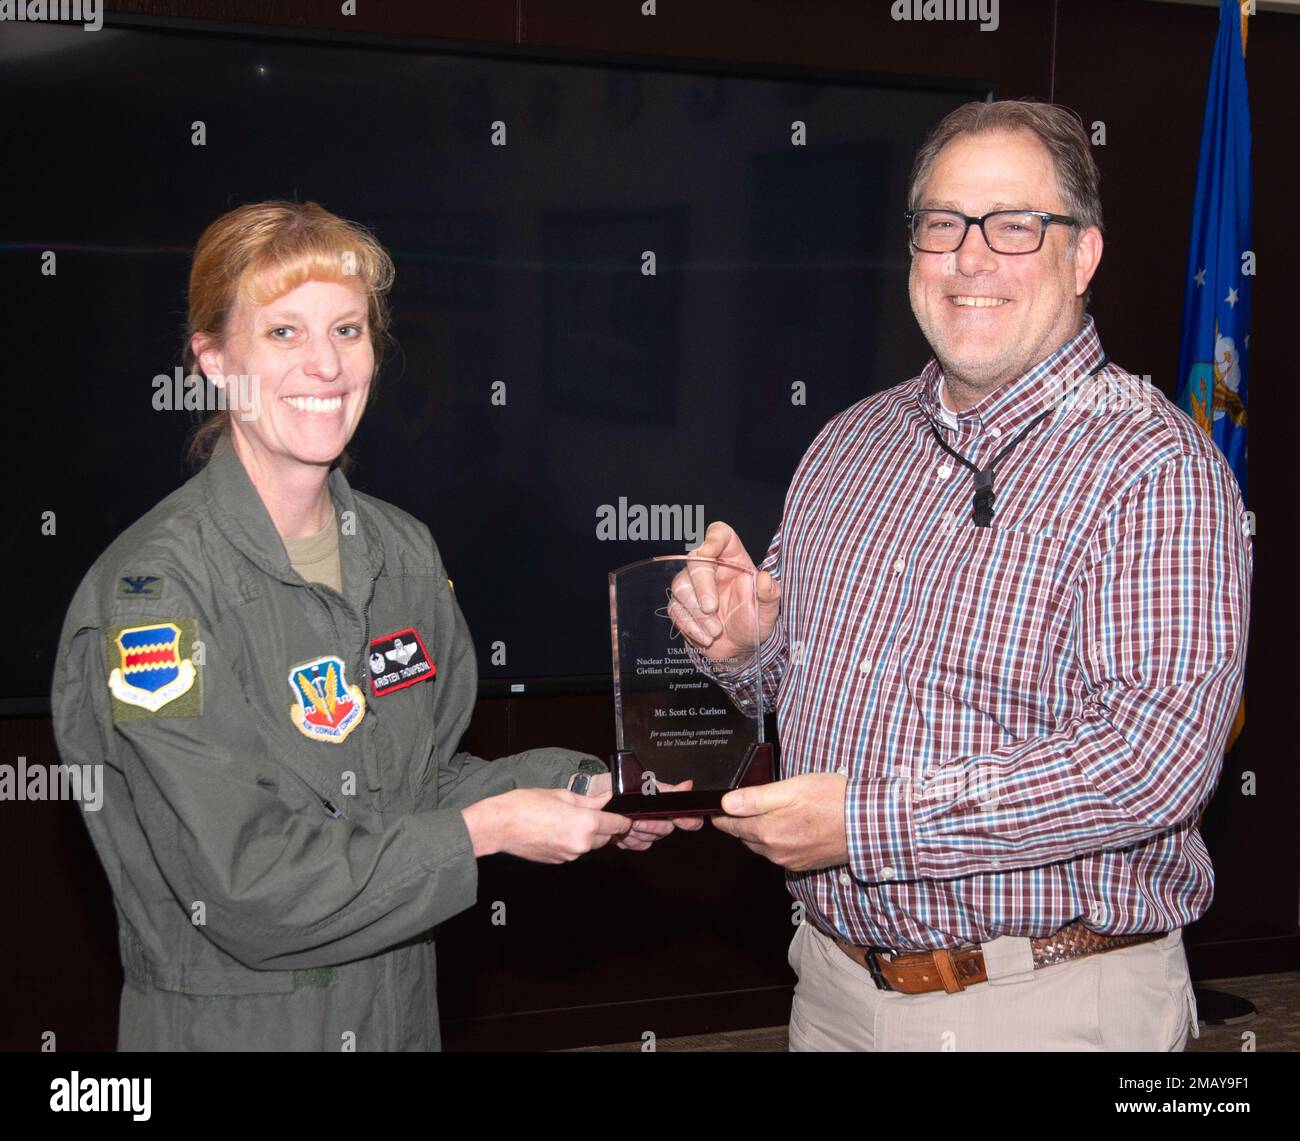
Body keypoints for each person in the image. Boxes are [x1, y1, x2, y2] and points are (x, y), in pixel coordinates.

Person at [669, 101, 1251, 1051]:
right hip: (833, 988)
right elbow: (787, 686)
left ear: (1084, 255)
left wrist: (866, 823)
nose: (970, 258)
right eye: (942, 224)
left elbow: (1151, 763)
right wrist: (746, 646)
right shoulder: (849, 444)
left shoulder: (1154, 466)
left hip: (1052, 1001)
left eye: (1015, 225)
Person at [51, 200, 697, 1052]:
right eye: (283, 332)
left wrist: (578, 787)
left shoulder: (401, 552)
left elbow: (418, 787)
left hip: (398, 1019)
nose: (324, 364)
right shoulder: (153, 599)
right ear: (213, 358)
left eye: (348, 330)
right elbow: (246, 887)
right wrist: (490, 830)